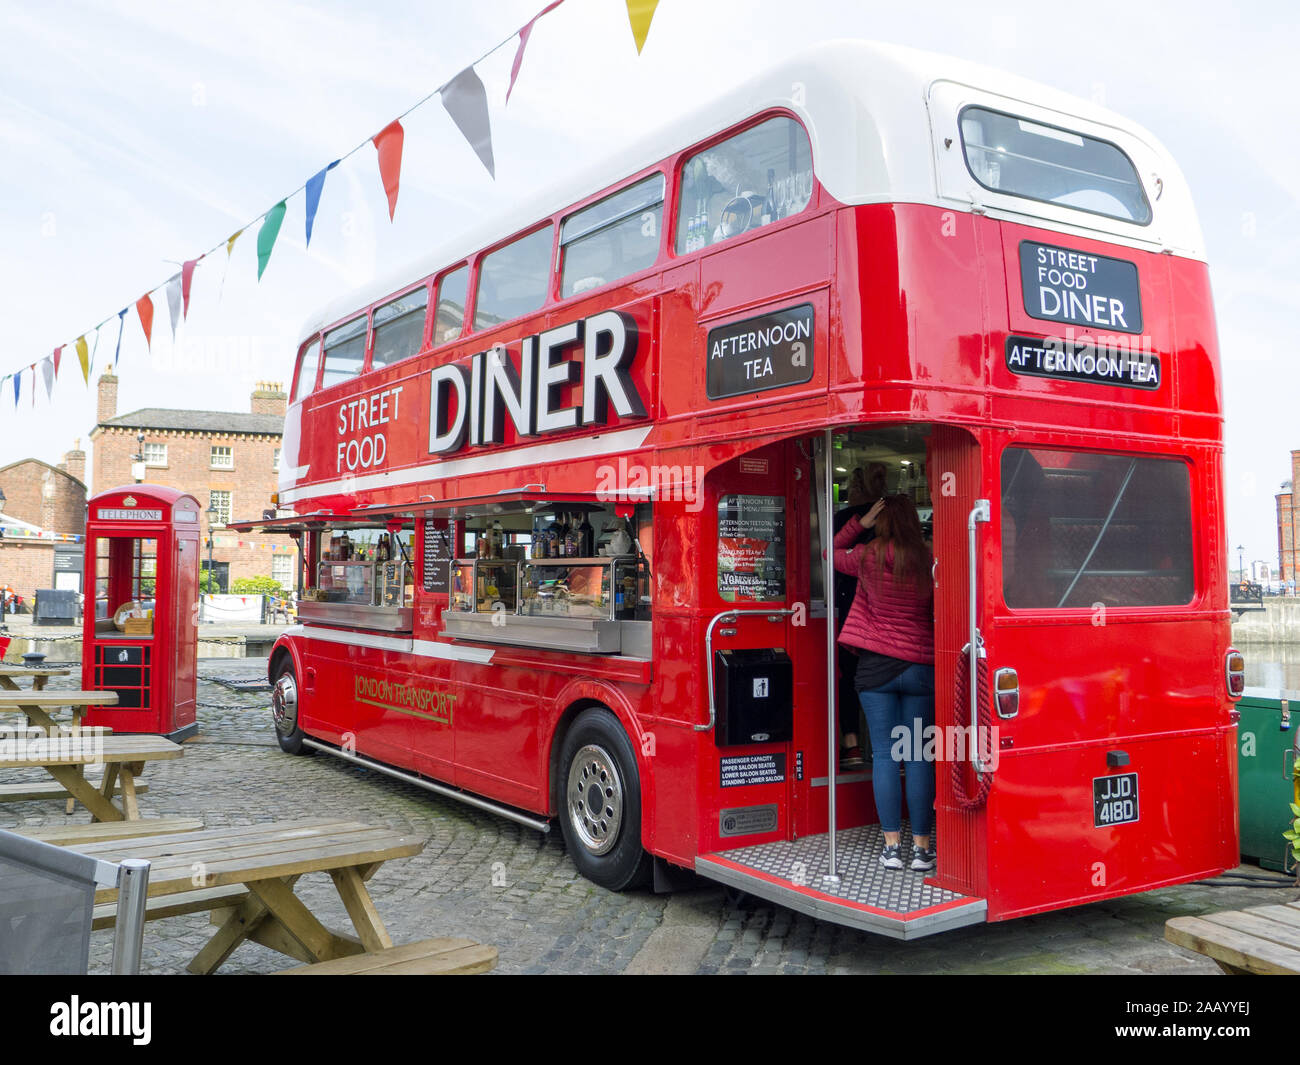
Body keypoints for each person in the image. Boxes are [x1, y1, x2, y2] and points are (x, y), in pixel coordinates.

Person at [833, 494, 936, 871]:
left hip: (876, 671)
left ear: (882, 521)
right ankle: (923, 850)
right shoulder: (928, 559)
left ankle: (892, 848)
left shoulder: (867, 555)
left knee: (885, 756)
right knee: (920, 756)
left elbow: (830, 552)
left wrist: (861, 522)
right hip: (921, 669)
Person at [832, 464, 887, 769]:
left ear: (856, 487)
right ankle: (894, 750)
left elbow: (831, 552)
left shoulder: (846, 520)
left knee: (850, 677)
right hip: (892, 628)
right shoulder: (909, 549)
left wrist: (860, 523)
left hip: (852, 613)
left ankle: (852, 743)